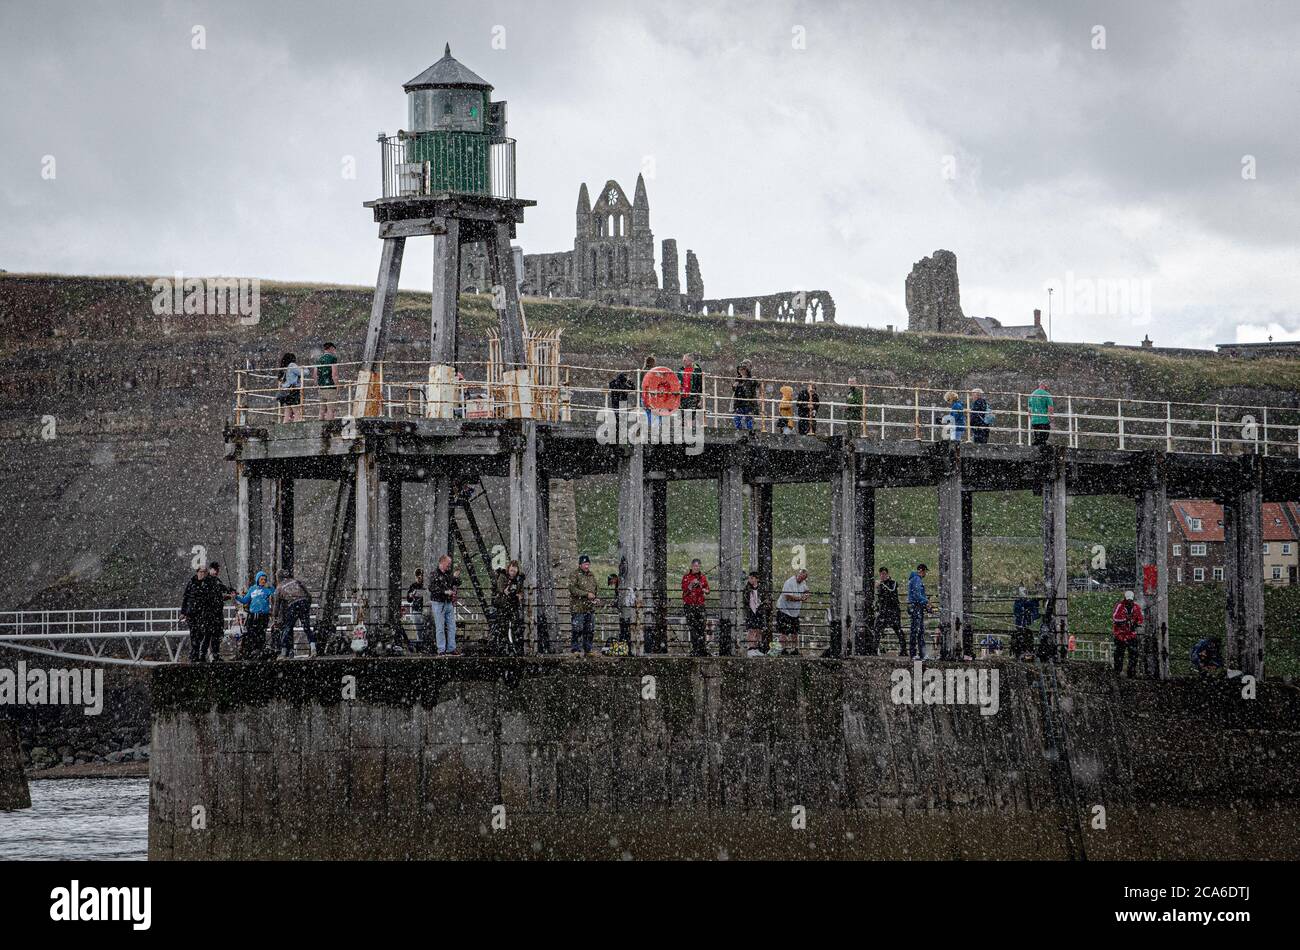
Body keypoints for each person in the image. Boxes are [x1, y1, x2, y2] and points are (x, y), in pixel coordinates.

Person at [235, 571, 275, 660]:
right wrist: (236, 597)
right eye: (261, 579)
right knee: (251, 632)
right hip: (252, 614)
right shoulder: (252, 589)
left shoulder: (268, 589)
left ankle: (260, 650)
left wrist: (271, 588)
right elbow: (245, 600)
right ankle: (250, 650)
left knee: (261, 632)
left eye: (265, 579)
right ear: (258, 580)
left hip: (263, 615)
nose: (263, 581)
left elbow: (275, 594)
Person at [275, 571, 315, 659]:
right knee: (306, 627)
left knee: (288, 627)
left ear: (278, 578)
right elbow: (308, 594)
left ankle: (283, 652)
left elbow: (276, 605)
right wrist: (308, 604)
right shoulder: (295, 581)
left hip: (293, 604)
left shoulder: (279, 587)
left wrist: (275, 617)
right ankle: (313, 649)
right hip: (303, 602)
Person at [429, 554, 461, 655]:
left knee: (452, 626)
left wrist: (456, 577)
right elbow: (431, 588)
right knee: (440, 627)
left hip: (448, 603)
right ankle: (441, 649)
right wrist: (445, 592)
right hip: (439, 603)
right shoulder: (434, 574)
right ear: (442, 562)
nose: (449, 565)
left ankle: (451, 648)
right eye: (448, 563)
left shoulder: (448, 574)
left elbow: (458, 582)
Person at [492, 561, 526, 656]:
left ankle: (514, 648)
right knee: (503, 627)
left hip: (514, 605)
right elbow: (501, 589)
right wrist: (507, 591)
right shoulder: (503, 576)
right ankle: (503, 648)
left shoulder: (519, 579)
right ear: (508, 569)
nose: (512, 573)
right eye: (511, 571)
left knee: (516, 627)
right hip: (504, 605)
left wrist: (519, 595)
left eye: (514, 571)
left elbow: (520, 591)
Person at [568, 554, 599, 655]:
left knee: (590, 630)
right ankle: (575, 650)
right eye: (585, 564)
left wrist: (595, 597)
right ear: (580, 565)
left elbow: (595, 588)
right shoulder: (574, 574)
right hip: (578, 607)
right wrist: (586, 594)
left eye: (588, 564)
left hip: (589, 607)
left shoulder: (592, 575)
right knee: (577, 629)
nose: (587, 566)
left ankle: (588, 649)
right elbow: (572, 589)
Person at [776, 569, 810, 655]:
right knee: (784, 632)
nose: (801, 579)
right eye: (800, 576)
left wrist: (807, 595)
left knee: (795, 632)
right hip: (784, 610)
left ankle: (794, 649)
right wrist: (800, 598)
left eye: (803, 578)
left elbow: (807, 590)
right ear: (798, 574)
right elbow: (787, 596)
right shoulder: (789, 582)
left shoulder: (803, 583)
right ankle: (782, 649)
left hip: (795, 612)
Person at [681, 559, 711, 656]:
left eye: (698, 566)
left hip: (700, 605)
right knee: (693, 627)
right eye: (695, 566)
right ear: (691, 566)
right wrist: (691, 584)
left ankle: (702, 649)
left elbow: (707, 591)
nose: (696, 568)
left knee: (701, 627)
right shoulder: (686, 577)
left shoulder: (703, 577)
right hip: (689, 606)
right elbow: (685, 591)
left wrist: (701, 586)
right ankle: (695, 649)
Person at [873, 567, 904, 656]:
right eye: (881, 574)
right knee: (877, 630)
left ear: (887, 574)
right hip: (883, 611)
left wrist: (882, 584)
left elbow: (891, 590)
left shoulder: (893, 583)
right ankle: (874, 650)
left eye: (884, 574)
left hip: (892, 611)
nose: (882, 576)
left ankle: (903, 649)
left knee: (898, 630)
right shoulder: (881, 585)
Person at [1111, 590, 1143, 677]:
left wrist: (1135, 623)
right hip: (1120, 635)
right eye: (1128, 600)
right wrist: (1126, 620)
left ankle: (1131, 672)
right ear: (1125, 599)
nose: (1129, 601)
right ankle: (1117, 672)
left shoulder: (1136, 607)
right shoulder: (1120, 606)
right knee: (1119, 654)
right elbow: (1115, 618)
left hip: (1131, 635)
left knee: (1133, 654)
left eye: (1130, 600)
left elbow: (1140, 619)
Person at [181, 566, 209, 663]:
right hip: (192, 613)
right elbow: (185, 598)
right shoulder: (191, 583)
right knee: (193, 634)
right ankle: (194, 654)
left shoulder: (207, 584)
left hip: (203, 613)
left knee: (201, 633)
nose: (202, 574)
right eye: (201, 572)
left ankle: (196, 653)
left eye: (204, 572)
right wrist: (183, 612)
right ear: (197, 572)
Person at [907, 564, 930, 660]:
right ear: (921, 570)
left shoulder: (915, 579)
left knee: (918, 630)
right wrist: (926, 602)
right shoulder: (917, 579)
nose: (925, 574)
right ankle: (916, 653)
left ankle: (920, 653)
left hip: (916, 607)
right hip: (916, 607)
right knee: (917, 631)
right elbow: (917, 595)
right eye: (925, 571)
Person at [1012, 586, 1040, 659]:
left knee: (1025, 636)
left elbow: (1030, 607)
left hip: (1022, 623)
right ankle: (1023, 652)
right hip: (1021, 623)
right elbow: (1019, 610)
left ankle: (1025, 652)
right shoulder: (1019, 603)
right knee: (1022, 637)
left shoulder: (1021, 603)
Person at [743, 572, 768, 656]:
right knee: (751, 630)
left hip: (759, 610)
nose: (750, 580)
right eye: (750, 578)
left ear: (757, 579)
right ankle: (750, 648)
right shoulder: (747, 588)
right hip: (751, 611)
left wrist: (763, 605)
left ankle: (756, 647)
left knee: (758, 630)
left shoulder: (762, 588)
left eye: (752, 578)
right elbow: (745, 600)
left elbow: (766, 599)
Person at [316, 342, 340, 420]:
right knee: (331, 409)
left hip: (321, 387)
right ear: (331, 348)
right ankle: (330, 427)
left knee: (322, 409)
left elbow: (315, 374)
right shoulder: (333, 359)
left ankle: (320, 426)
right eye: (334, 349)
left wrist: (318, 385)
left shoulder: (319, 359)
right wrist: (337, 385)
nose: (334, 351)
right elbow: (334, 374)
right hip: (330, 386)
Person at [732, 363, 759, 430]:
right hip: (739, 402)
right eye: (740, 370)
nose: (741, 371)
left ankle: (749, 432)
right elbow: (734, 389)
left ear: (746, 370)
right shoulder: (738, 379)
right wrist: (736, 384)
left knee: (748, 419)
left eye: (743, 369)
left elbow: (757, 385)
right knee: (737, 419)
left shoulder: (751, 379)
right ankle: (741, 431)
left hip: (748, 402)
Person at [278, 352, 304, 423]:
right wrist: (304, 368)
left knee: (287, 411)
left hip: (285, 391)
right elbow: (303, 372)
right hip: (293, 390)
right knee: (297, 412)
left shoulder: (284, 367)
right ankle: (296, 427)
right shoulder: (292, 365)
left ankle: (284, 427)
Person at [679, 353, 704, 424]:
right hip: (683, 396)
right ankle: (683, 428)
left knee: (691, 415)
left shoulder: (696, 370)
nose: (683, 361)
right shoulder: (681, 370)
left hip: (692, 396)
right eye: (683, 360)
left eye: (685, 360)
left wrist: (699, 397)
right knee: (682, 415)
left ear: (690, 360)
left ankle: (690, 430)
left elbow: (700, 384)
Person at [406, 568, 428, 644]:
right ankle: (420, 644)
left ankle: (425, 644)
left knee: (426, 629)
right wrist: (411, 595)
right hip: (416, 609)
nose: (419, 579)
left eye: (420, 577)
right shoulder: (413, 585)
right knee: (418, 630)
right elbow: (408, 600)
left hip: (425, 610)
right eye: (417, 577)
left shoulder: (425, 585)